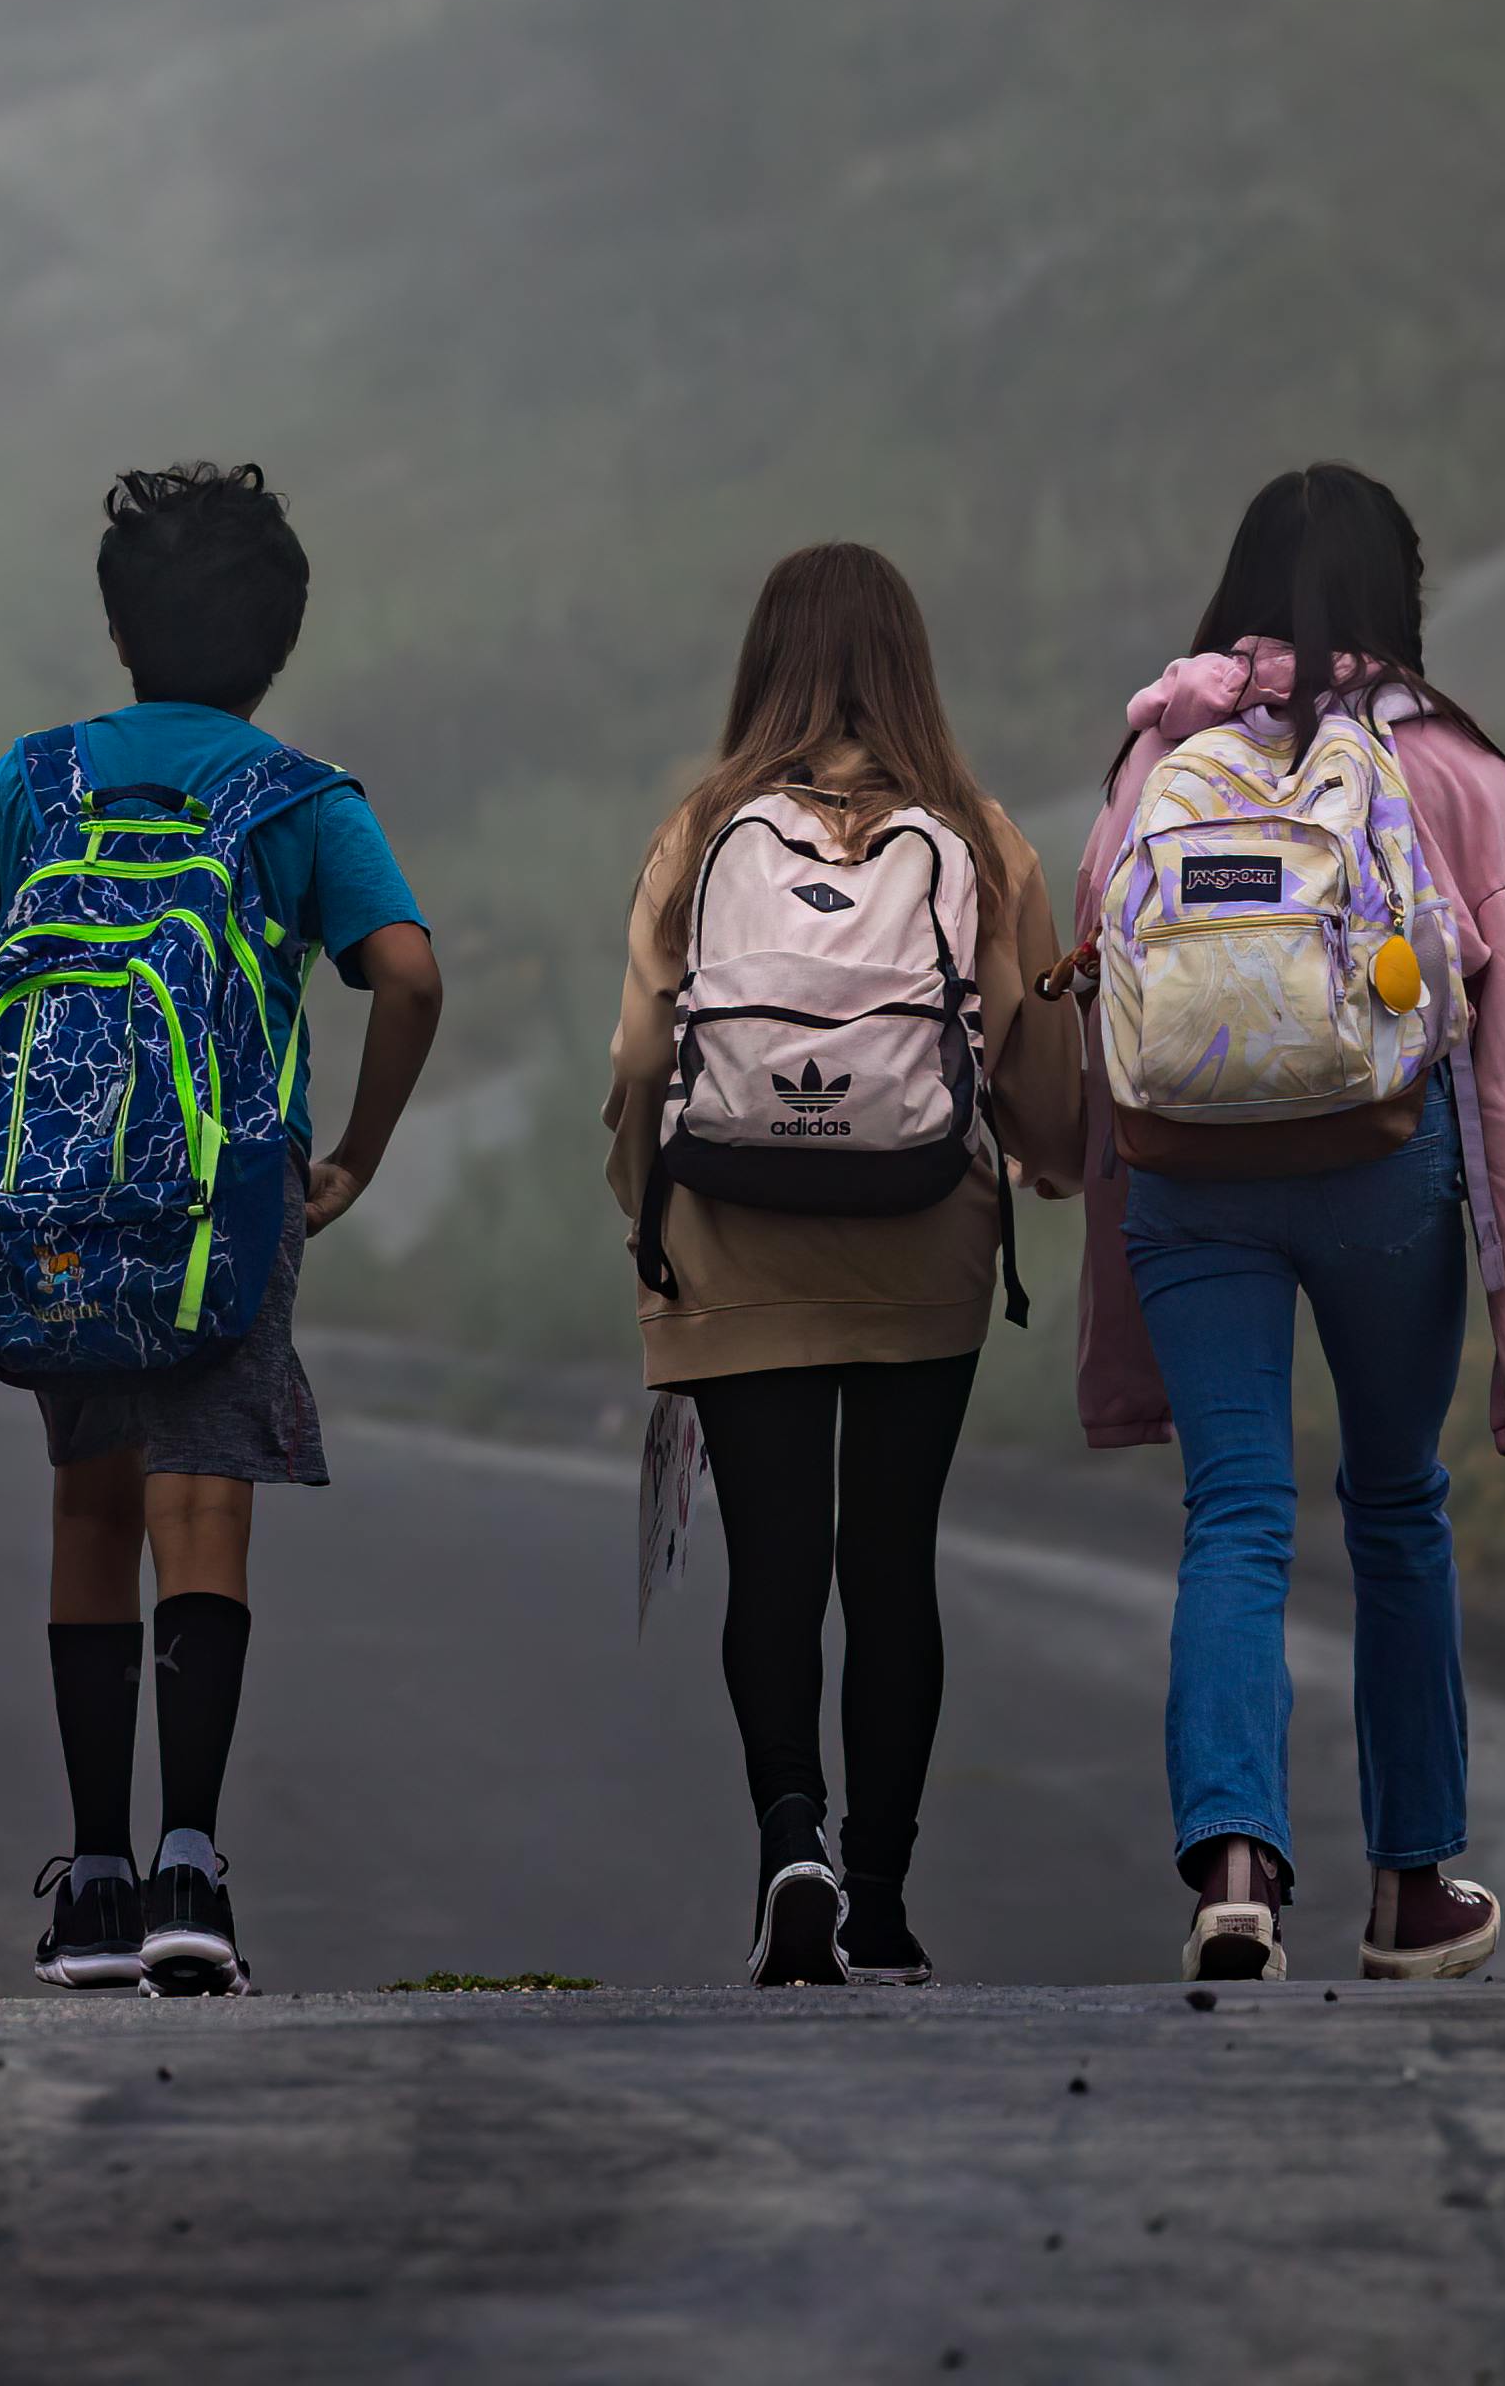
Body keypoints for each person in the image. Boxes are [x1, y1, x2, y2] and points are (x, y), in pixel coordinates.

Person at [0, 463, 444, 1994]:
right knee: (205, 1504)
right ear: (277, 640)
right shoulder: (301, 801)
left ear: (120, 628)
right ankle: (194, 1866)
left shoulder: (39, 777)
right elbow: (406, 976)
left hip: (58, 1205)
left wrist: (11, 1113)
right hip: (230, 1197)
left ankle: (92, 1885)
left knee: (90, 1504)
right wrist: (356, 1157)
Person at [1073, 462, 1505, 1984]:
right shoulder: (1452, 770)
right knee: (1392, 1506)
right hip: (1381, 1177)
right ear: (1398, 600)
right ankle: (1414, 1890)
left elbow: (1109, 997)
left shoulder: (1161, 750)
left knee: (1235, 1512)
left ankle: (1234, 1876)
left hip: (1192, 1184)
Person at [602, 543, 1084, 1984]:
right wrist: (1044, 1156)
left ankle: (789, 1841)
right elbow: (1041, 1086)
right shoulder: (979, 837)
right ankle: (876, 1900)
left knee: (774, 1566)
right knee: (889, 1568)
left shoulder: (699, 831)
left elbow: (643, 1059)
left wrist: (653, 1224)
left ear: (766, 664)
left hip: (733, 1239)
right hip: (921, 1237)